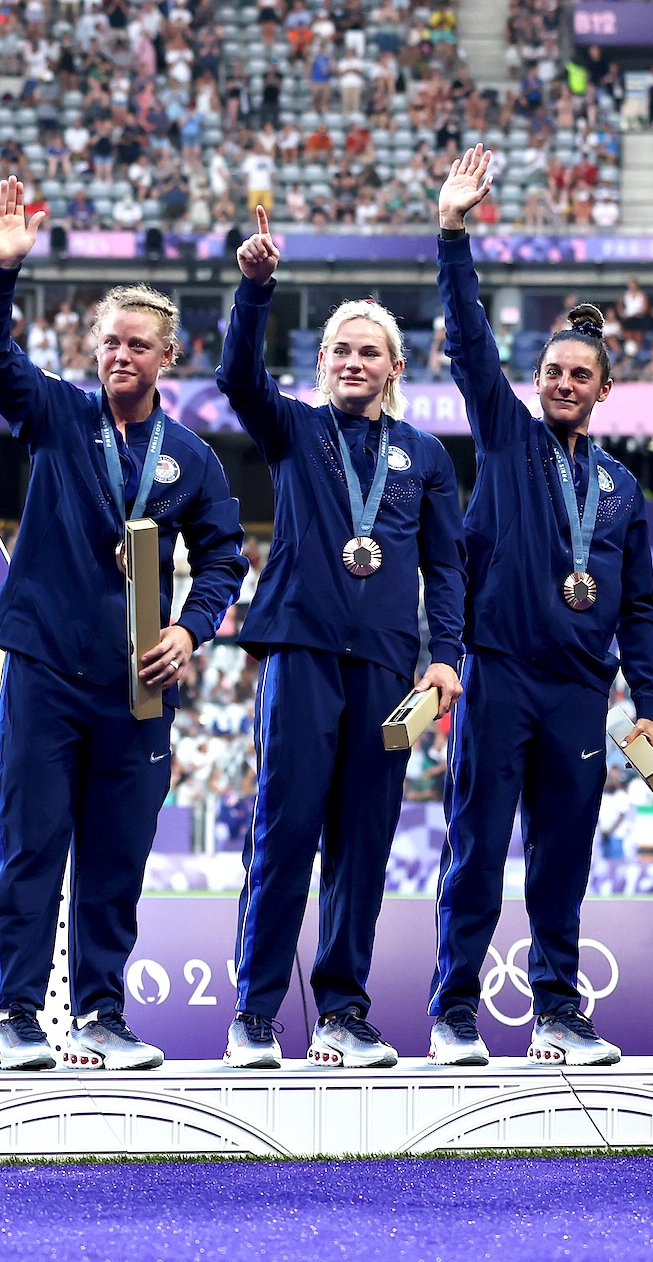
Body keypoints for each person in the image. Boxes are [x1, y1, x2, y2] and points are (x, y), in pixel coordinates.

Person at [0, 178, 245, 1071]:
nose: (120, 354)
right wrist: (2, 271)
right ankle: (15, 1015)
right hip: (46, 666)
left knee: (117, 859)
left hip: (139, 684)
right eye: (109, 341)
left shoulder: (192, 459)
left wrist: (191, 632)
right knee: (31, 844)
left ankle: (99, 1015)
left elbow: (226, 557)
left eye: (138, 344)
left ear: (168, 355)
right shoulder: (56, 413)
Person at [217, 202, 465, 1070]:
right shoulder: (294, 429)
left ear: (396, 368)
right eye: (340, 351)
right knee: (284, 834)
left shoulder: (427, 457)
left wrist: (446, 658)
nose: (354, 361)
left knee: (364, 846)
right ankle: (253, 1016)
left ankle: (344, 1014)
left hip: (393, 670)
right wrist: (255, 292)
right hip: (302, 652)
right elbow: (237, 381)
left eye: (370, 351)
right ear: (320, 366)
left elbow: (449, 567)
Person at [427, 150, 653, 1067]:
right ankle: (452, 1012)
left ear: (604, 390)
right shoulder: (508, 438)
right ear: (536, 381)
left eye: (580, 376)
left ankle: (559, 1013)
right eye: (553, 371)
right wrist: (454, 235)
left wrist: (647, 702)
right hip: (498, 678)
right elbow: (470, 339)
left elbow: (637, 608)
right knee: (477, 857)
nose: (564, 383)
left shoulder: (624, 490)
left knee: (562, 864)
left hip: (579, 694)